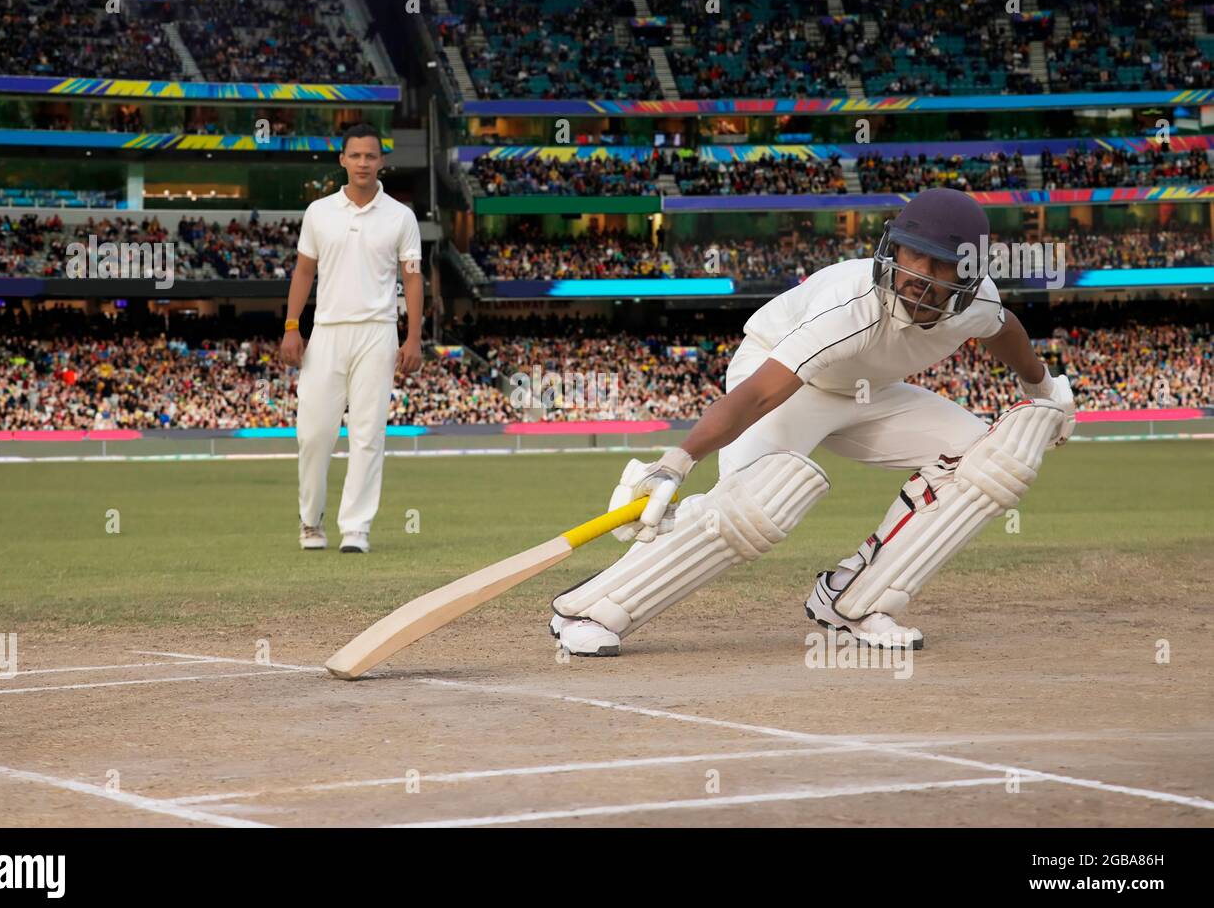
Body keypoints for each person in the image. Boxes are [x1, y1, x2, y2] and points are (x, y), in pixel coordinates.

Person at [549, 189, 1076, 655]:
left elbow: (1005, 329)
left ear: (968, 273)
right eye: (913, 256)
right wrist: (676, 463)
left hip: (869, 395)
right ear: (892, 248)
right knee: (751, 506)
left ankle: (853, 601)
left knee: (988, 459)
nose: (919, 277)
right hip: (781, 380)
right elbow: (759, 394)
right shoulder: (852, 307)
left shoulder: (975, 305)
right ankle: (590, 611)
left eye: (940, 266)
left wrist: (1043, 389)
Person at [281, 123, 422, 554]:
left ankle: (356, 529)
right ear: (342, 159)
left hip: (378, 333)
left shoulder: (401, 215)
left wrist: (413, 337)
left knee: (367, 434)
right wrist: (291, 326)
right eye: (355, 155)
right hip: (325, 331)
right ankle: (311, 522)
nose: (363, 163)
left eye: (371, 156)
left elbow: (413, 279)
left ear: (381, 160)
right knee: (314, 433)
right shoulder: (318, 212)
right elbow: (305, 271)